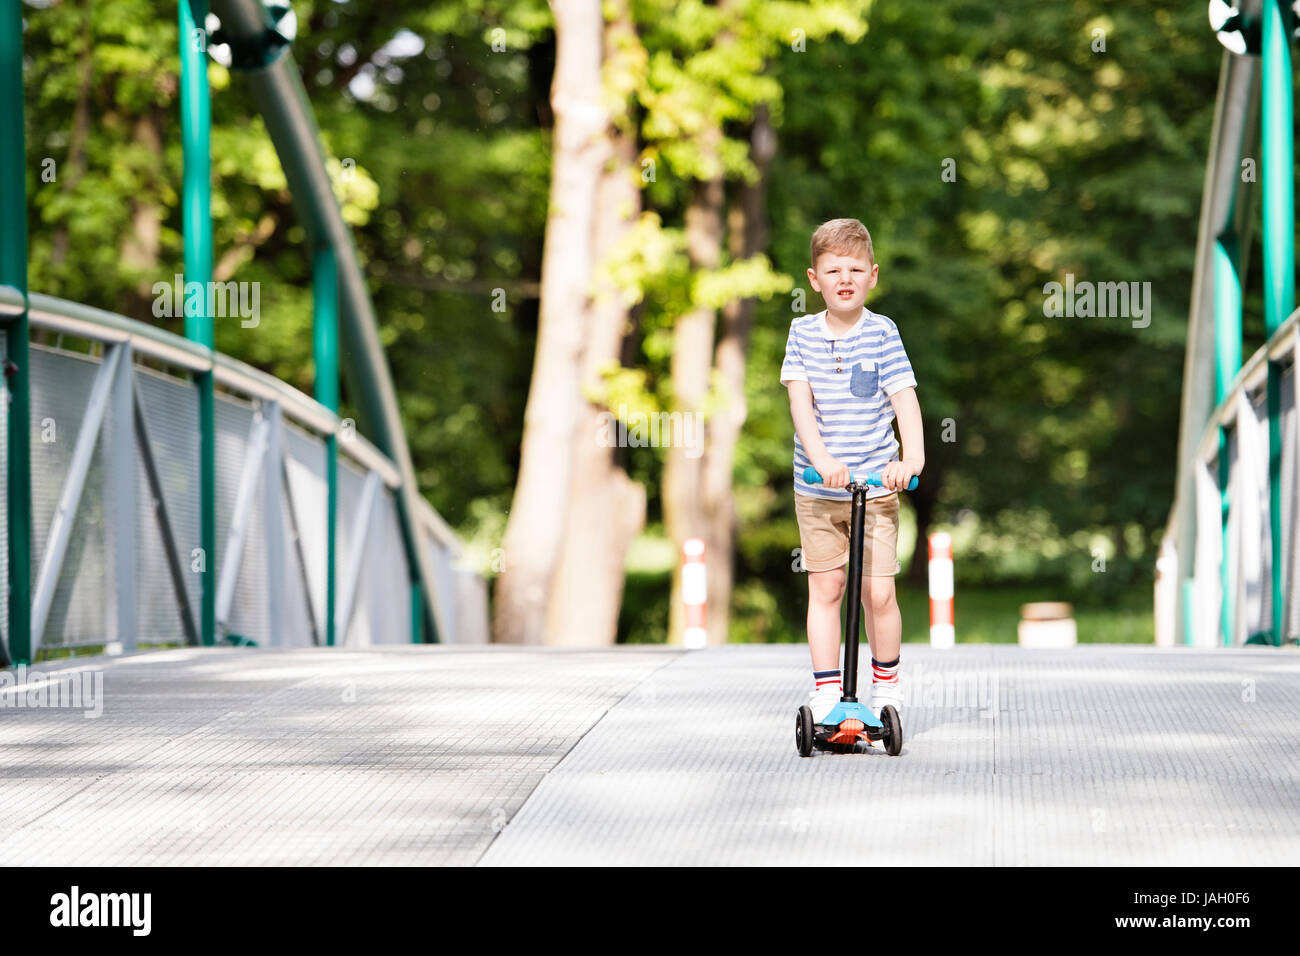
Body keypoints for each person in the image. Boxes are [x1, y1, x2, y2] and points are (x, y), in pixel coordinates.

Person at [779, 217, 925, 728]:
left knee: (878, 592)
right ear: (814, 279)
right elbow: (800, 403)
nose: (845, 277)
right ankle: (825, 693)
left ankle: (887, 686)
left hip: (877, 488)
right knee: (828, 588)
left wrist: (911, 460)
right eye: (833, 269)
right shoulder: (802, 333)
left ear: (873, 275)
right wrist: (822, 462)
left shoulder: (883, 333)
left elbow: (904, 399)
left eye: (856, 268)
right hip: (819, 490)